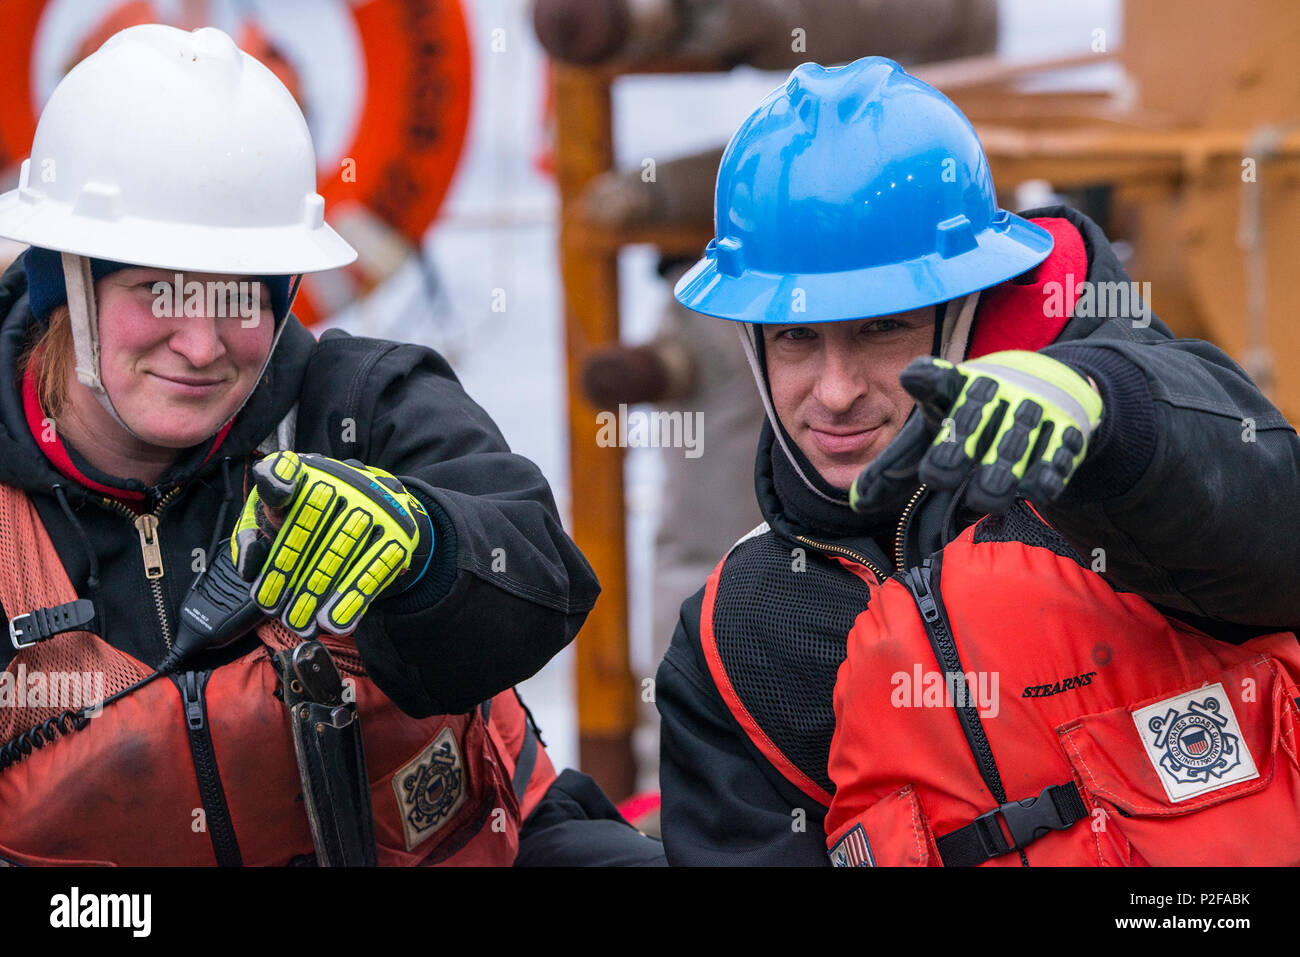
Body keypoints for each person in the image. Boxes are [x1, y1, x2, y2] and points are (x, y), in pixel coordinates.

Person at [0, 23, 662, 866]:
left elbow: (543, 577)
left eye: (243, 297)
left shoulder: (362, 405)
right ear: (67, 282)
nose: (202, 346)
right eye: (158, 291)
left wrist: (426, 547)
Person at [655, 56, 1300, 865]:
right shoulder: (737, 642)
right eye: (795, 338)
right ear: (751, 343)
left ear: (968, 305)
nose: (836, 389)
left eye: (879, 327)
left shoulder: (1114, 470)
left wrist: (1109, 422)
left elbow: (1275, 531)